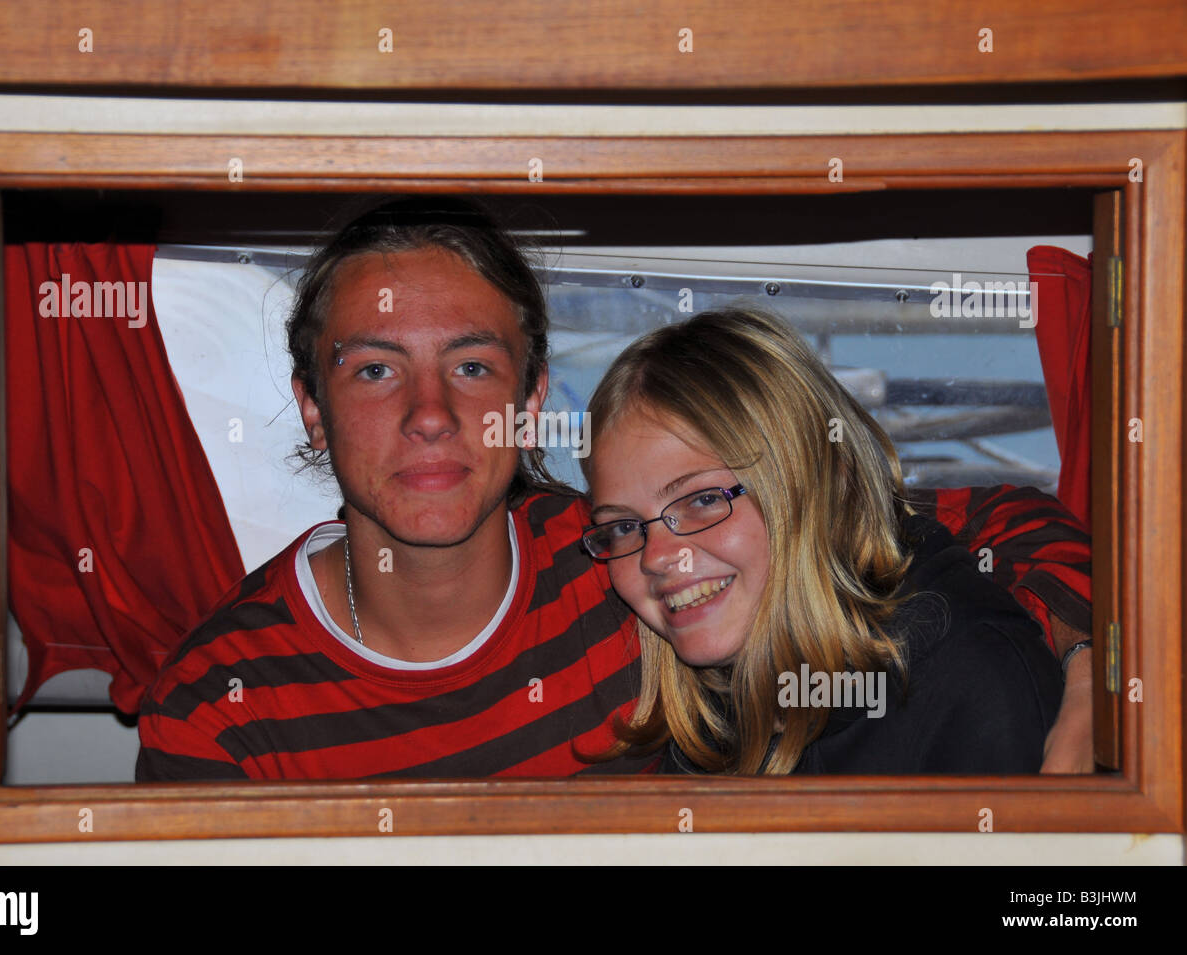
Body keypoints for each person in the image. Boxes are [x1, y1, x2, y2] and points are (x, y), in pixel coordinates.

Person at [136, 197, 1093, 781]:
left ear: (530, 397)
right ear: (312, 407)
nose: (430, 414)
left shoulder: (621, 557)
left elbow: (967, 525)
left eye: (472, 367)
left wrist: (1086, 672)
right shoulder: (218, 708)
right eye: (376, 370)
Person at [581, 307, 1067, 774]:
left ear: (821, 488)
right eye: (624, 527)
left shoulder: (975, 686)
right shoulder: (701, 717)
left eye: (703, 499)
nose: (658, 557)